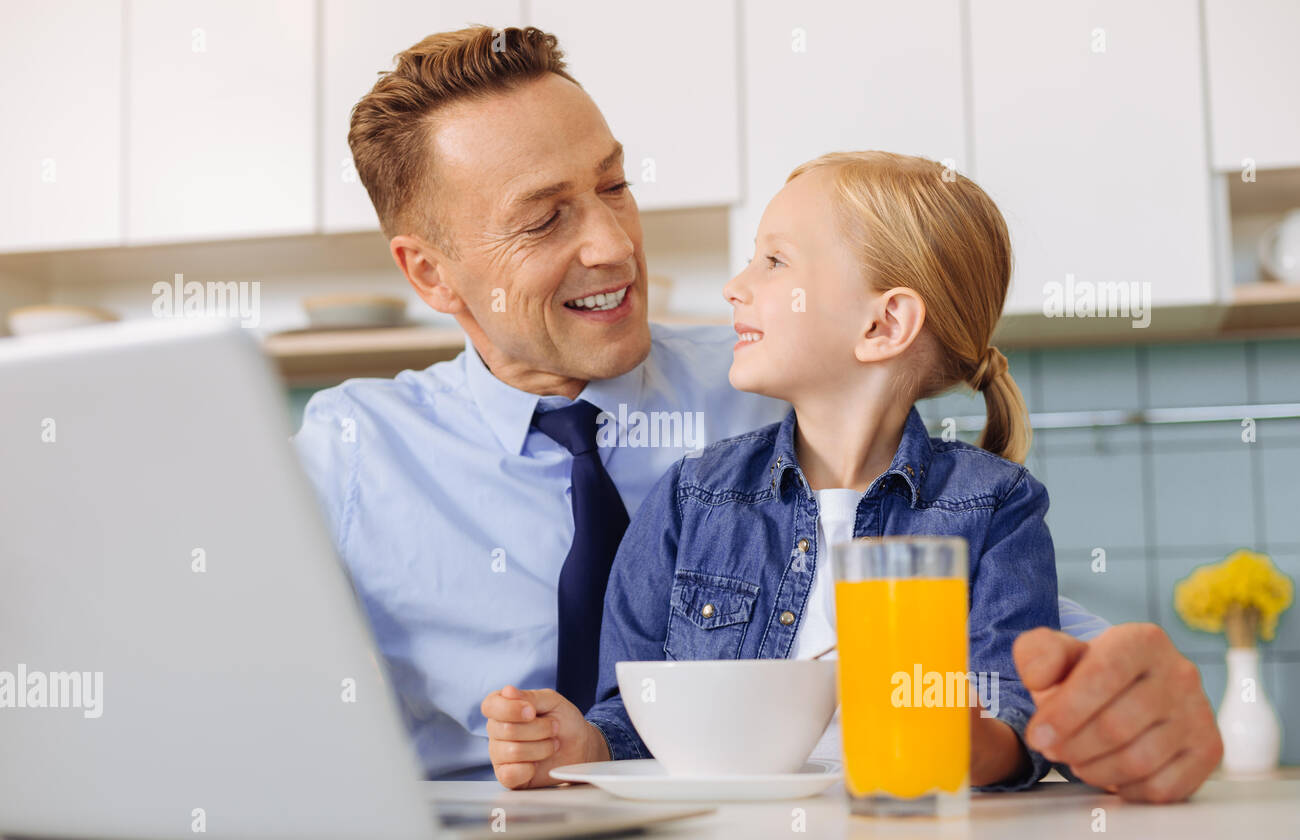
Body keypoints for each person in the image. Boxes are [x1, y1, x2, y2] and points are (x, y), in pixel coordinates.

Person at [294, 25, 1222, 801]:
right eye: (544, 220)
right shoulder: (348, 454)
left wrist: (1127, 699)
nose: (615, 246)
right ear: (429, 272)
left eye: (614, 185)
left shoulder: (771, 382)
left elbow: (980, 614)